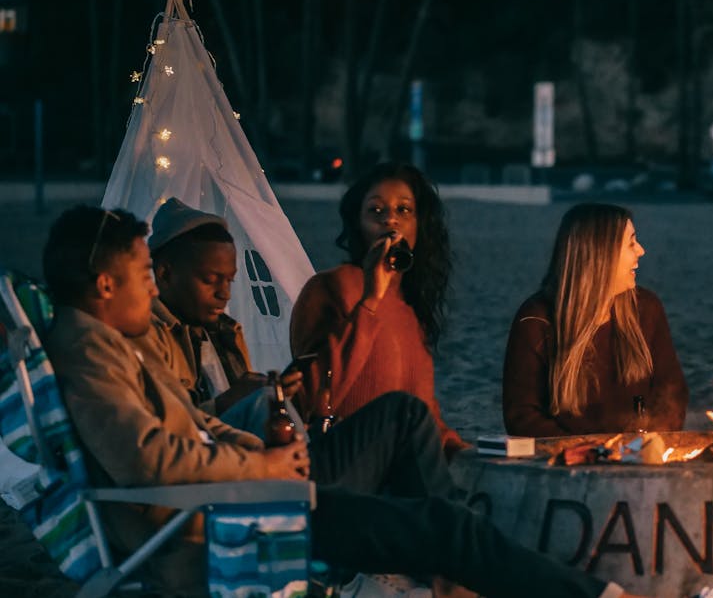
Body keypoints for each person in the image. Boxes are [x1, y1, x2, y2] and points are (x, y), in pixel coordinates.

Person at [39, 205, 638, 598]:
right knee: (438, 524)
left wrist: (267, 452)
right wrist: (265, 468)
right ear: (105, 285)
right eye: (145, 271)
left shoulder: (106, 343)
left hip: (247, 498)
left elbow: (193, 427)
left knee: (432, 519)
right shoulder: (92, 355)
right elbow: (150, 462)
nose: (152, 283)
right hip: (223, 529)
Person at [291, 163, 467, 454]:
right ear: (357, 224)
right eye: (376, 211)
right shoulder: (331, 287)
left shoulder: (409, 308)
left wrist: (460, 449)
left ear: (419, 224)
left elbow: (425, 413)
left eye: (404, 210)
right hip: (344, 455)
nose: (391, 221)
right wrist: (370, 301)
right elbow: (313, 398)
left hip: (401, 457)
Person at [503, 203, 688, 437]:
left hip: (636, 453)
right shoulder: (536, 320)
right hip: (568, 461)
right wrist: (590, 451)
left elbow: (672, 392)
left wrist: (649, 440)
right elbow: (522, 416)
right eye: (631, 242)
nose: (641, 250)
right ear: (601, 254)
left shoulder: (646, 309)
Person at [139, 197, 294, 438]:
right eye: (210, 280)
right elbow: (163, 427)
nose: (225, 293)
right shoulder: (148, 335)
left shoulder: (225, 332)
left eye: (229, 280)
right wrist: (229, 401)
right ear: (165, 274)